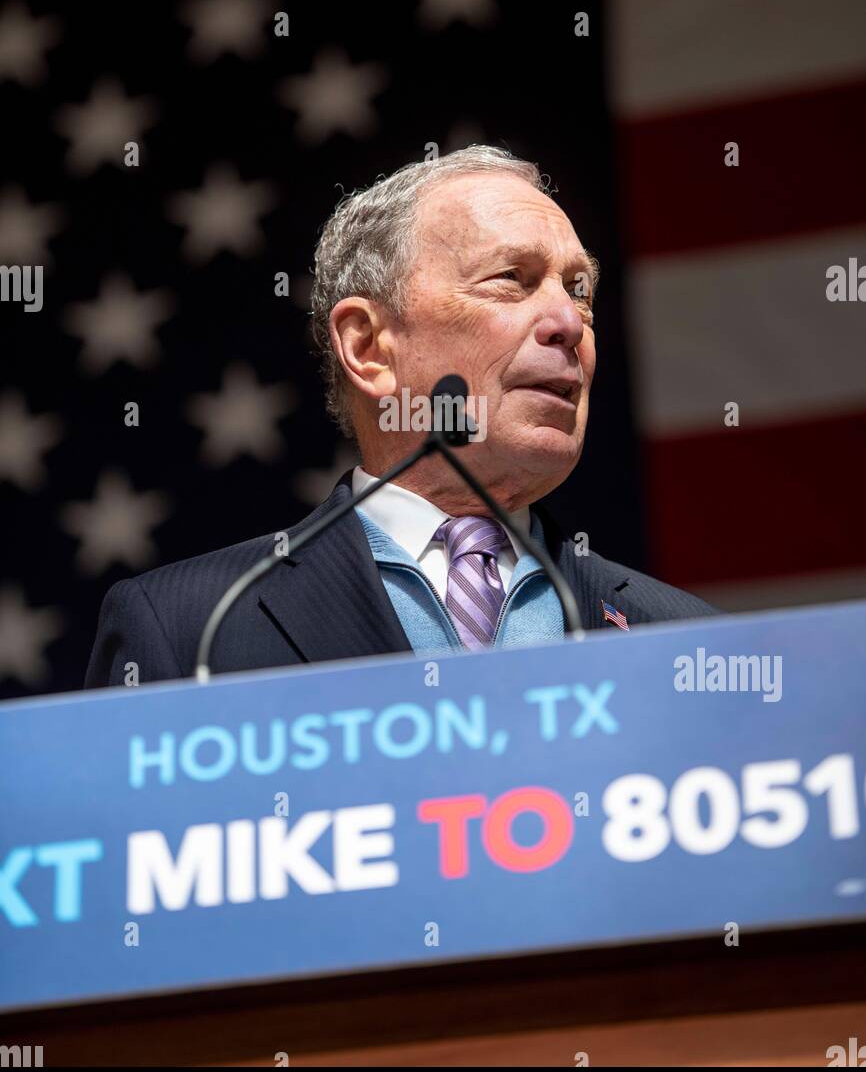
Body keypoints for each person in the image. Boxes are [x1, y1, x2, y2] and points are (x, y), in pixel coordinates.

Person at [85, 146, 716, 688]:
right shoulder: (188, 627)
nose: (569, 323)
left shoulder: (687, 639)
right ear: (367, 347)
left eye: (578, 290)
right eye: (511, 280)